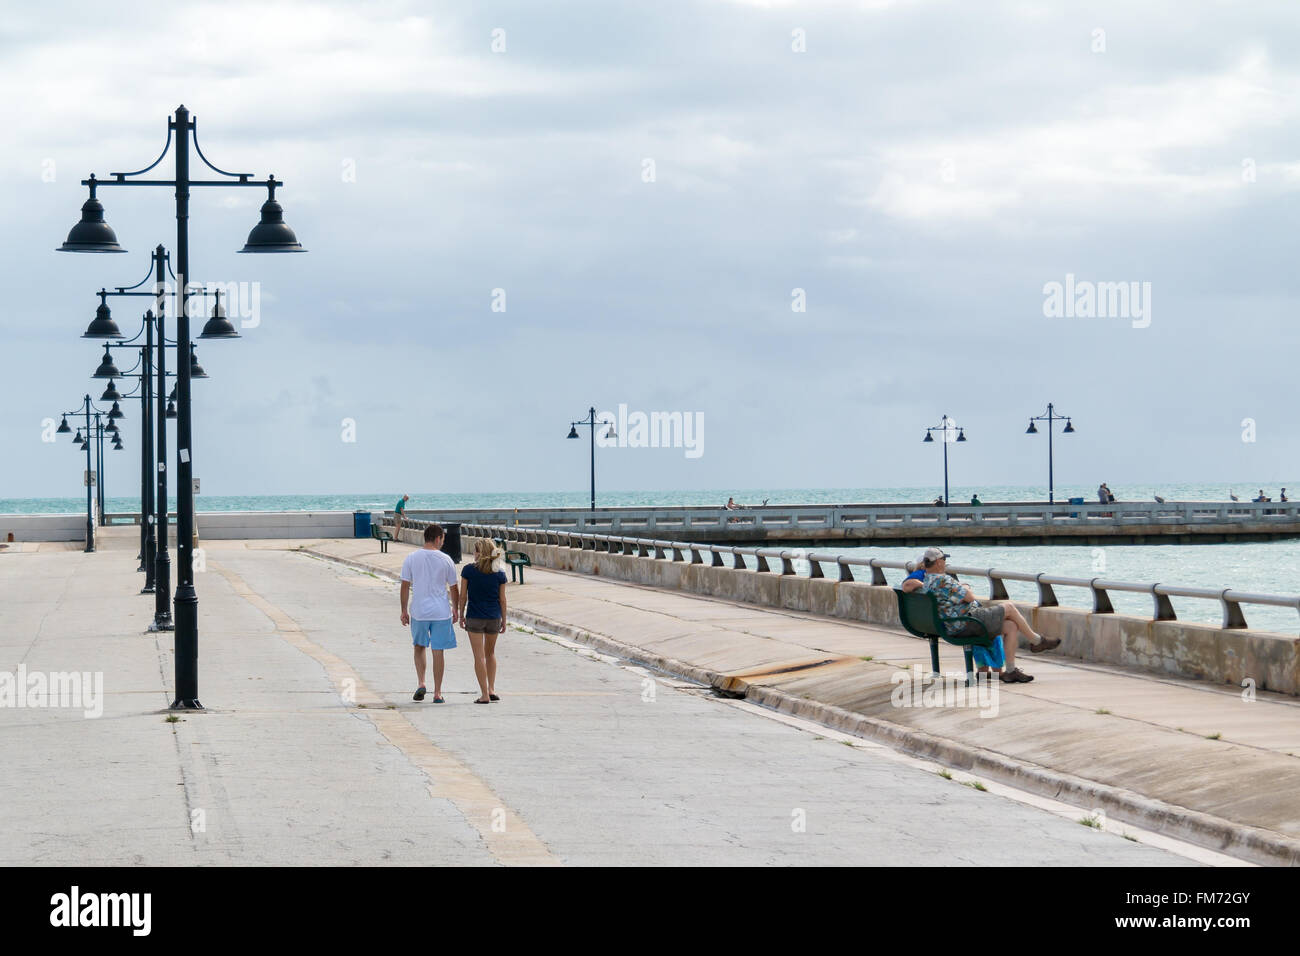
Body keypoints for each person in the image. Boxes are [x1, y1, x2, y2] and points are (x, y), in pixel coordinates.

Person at [907, 547, 1059, 683]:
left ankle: (1011, 671)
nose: (945, 563)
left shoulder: (927, 580)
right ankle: (1037, 640)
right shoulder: (942, 580)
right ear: (938, 562)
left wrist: (960, 588)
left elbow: (951, 597)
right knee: (1009, 607)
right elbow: (970, 598)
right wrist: (964, 586)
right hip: (966, 622)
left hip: (953, 622)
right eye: (944, 559)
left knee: (1011, 626)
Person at [399, 523, 460, 703]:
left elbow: (404, 586)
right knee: (438, 651)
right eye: (442, 539)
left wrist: (403, 610)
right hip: (441, 612)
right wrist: (456, 609)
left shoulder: (411, 558)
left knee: (419, 647)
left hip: (419, 611)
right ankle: (438, 693)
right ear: (437, 538)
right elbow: (454, 588)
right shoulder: (446, 559)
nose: (442, 542)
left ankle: (421, 682)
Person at [459, 539, 509, 704]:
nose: (473, 554)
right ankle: (491, 688)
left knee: (479, 656)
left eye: (475, 551)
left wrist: (461, 614)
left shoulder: (468, 571)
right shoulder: (500, 573)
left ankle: (484, 694)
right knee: (491, 654)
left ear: (479, 553)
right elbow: (502, 599)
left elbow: (463, 596)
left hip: (474, 617)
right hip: (494, 617)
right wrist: (504, 619)